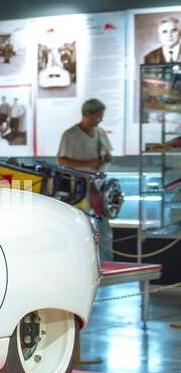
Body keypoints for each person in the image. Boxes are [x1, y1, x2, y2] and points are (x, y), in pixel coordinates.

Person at [57, 98, 114, 261]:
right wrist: (87, 163)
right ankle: (83, 262)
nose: (100, 120)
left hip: (99, 186)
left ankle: (106, 262)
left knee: (103, 227)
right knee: (82, 226)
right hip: (79, 187)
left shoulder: (100, 132)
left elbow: (108, 152)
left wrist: (106, 158)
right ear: (87, 114)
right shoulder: (70, 135)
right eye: (98, 116)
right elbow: (62, 160)